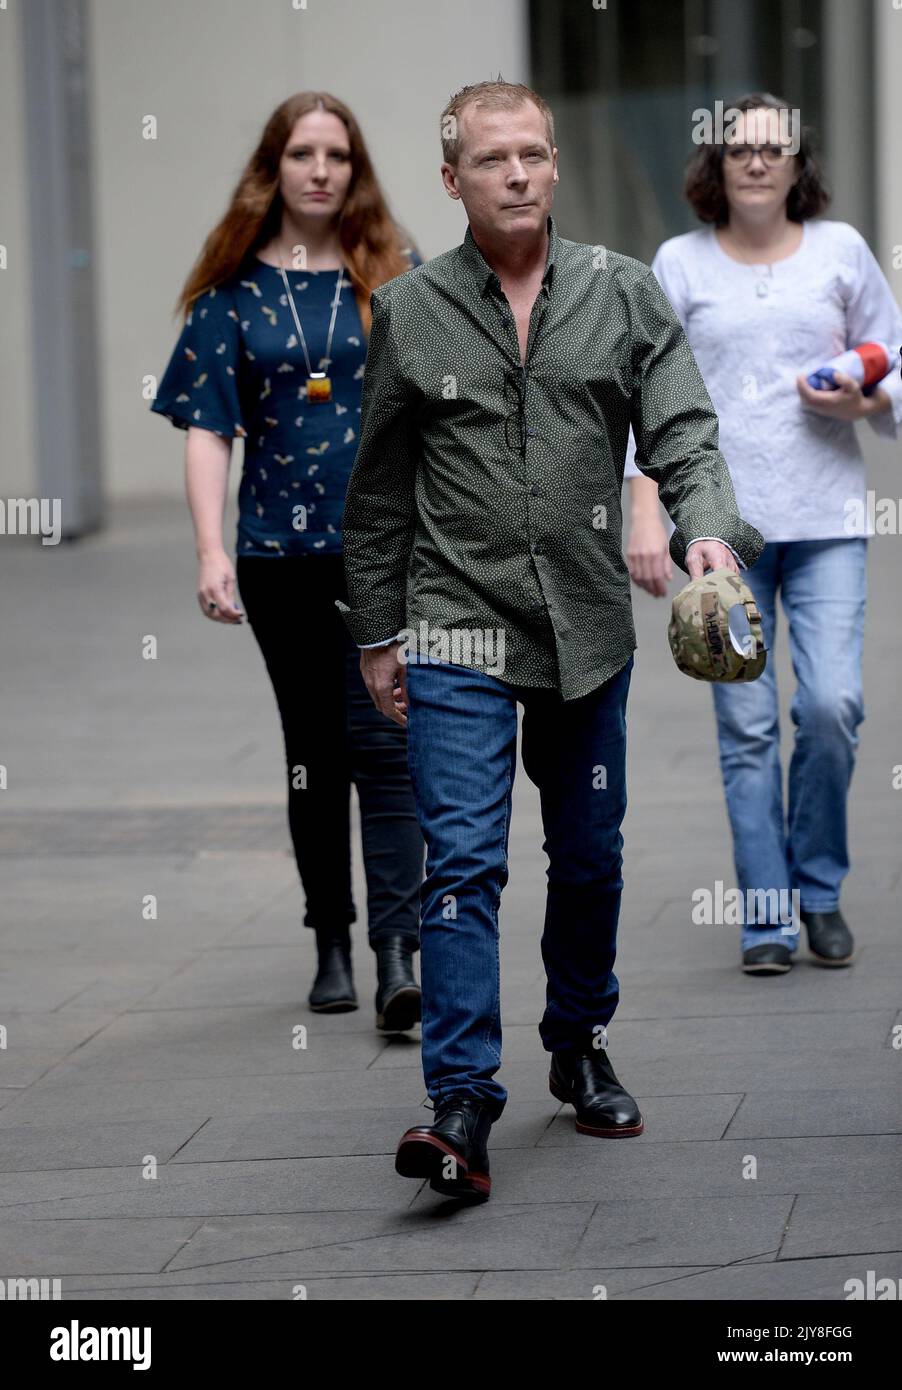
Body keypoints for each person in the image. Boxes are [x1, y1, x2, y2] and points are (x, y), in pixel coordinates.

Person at [336, 79, 764, 1201]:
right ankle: (461, 1101)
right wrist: (377, 635)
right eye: (491, 160)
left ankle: (575, 1039)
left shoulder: (620, 294)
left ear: (554, 165)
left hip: (583, 627)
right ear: (451, 180)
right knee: (463, 860)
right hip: (452, 625)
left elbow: (682, 432)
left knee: (585, 854)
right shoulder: (410, 310)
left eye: (532, 154)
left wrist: (705, 537)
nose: (516, 174)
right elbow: (377, 492)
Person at [150, 92, 425, 1031]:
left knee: (385, 741)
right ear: (275, 166)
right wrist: (209, 550)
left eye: (338, 155)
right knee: (314, 752)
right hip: (279, 554)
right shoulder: (230, 294)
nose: (321, 170)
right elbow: (205, 428)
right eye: (303, 153)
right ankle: (331, 940)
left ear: (356, 169)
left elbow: (440, 405)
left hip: (386, 547)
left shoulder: (395, 273)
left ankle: (400, 948)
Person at [624, 93, 902, 977]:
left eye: (772, 149)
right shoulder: (679, 264)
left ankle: (819, 887)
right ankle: (771, 914)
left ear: (795, 165)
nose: (755, 161)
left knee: (831, 708)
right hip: (719, 534)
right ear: (715, 164)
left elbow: (892, 360)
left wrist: (863, 399)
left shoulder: (843, 251)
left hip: (825, 521)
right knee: (746, 728)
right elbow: (645, 398)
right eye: (738, 148)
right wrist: (642, 508)